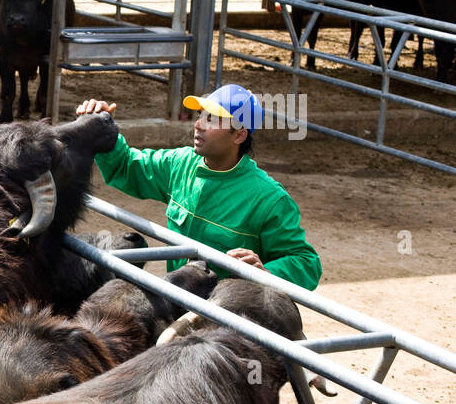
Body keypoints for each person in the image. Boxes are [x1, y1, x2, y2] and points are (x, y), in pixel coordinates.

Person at [80, 84, 322, 291]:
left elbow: (307, 262)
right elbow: (127, 167)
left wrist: (266, 272)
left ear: (238, 136)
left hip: (229, 315)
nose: (199, 125)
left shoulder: (269, 199)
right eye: (200, 115)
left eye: (212, 119)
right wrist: (102, 127)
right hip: (178, 297)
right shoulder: (180, 164)